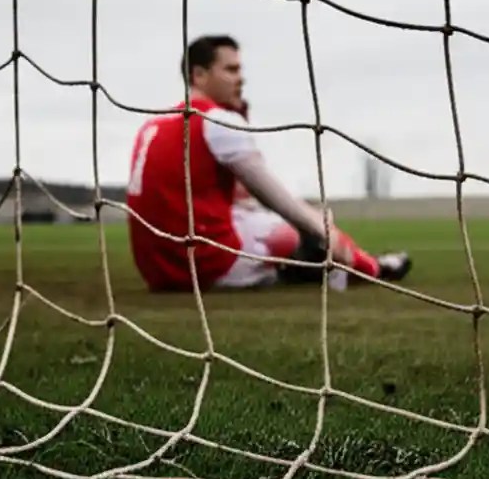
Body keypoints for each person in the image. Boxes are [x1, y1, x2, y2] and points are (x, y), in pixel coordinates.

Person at [126, 35, 412, 292]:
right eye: (230, 70)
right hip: (208, 266)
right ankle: (361, 268)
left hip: (156, 272)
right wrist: (328, 231)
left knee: (256, 215)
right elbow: (276, 199)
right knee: (296, 228)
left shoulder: (155, 123)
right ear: (199, 75)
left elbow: (235, 196)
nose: (240, 79)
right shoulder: (218, 121)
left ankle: (306, 264)